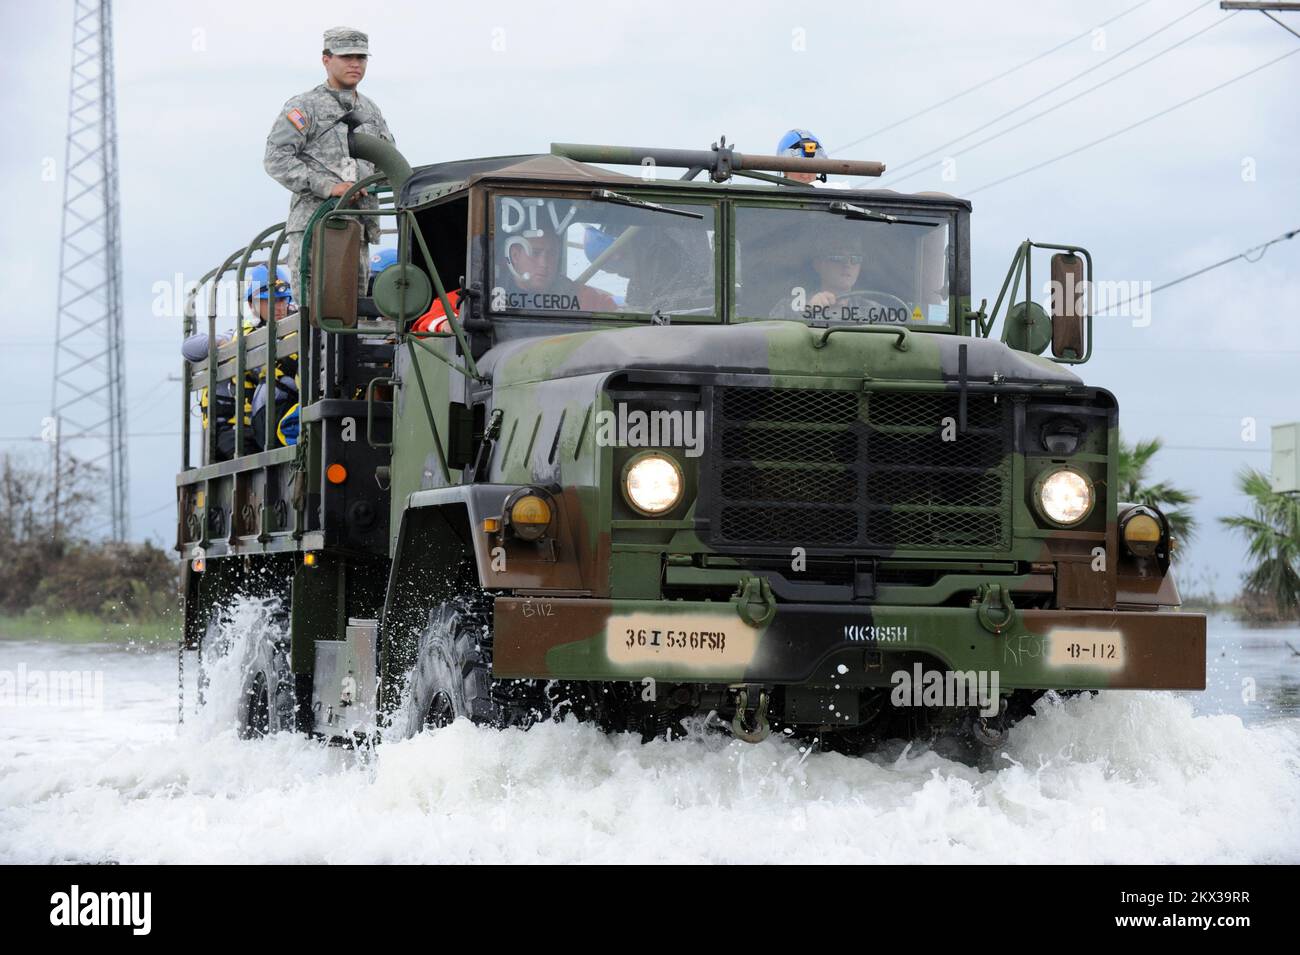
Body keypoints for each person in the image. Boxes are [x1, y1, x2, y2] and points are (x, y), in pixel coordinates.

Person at [264, 26, 395, 307]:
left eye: (361, 57)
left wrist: (375, 184)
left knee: (353, 315)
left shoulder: (371, 111)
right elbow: (276, 158)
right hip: (317, 226)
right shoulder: (305, 106)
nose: (355, 64)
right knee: (318, 313)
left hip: (358, 226)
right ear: (326, 59)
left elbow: (388, 160)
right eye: (346, 56)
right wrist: (329, 186)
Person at [183, 265, 296, 459]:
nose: (278, 307)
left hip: (274, 424)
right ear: (252, 305)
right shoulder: (242, 334)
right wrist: (222, 343)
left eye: (282, 299)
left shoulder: (298, 327)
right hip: (238, 432)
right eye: (269, 300)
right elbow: (189, 348)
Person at [497, 229, 617, 313]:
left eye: (551, 254)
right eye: (535, 253)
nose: (544, 263)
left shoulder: (582, 297)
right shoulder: (490, 293)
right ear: (515, 255)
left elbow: (615, 316)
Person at [769, 235, 869, 322]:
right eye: (837, 257)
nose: (847, 264)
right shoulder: (790, 308)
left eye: (856, 258)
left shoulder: (874, 311)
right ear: (818, 264)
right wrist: (808, 312)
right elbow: (776, 339)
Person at [776, 128, 849, 189]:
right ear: (785, 170)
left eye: (811, 168)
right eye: (798, 168)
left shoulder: (837, 197)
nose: (805, 176)